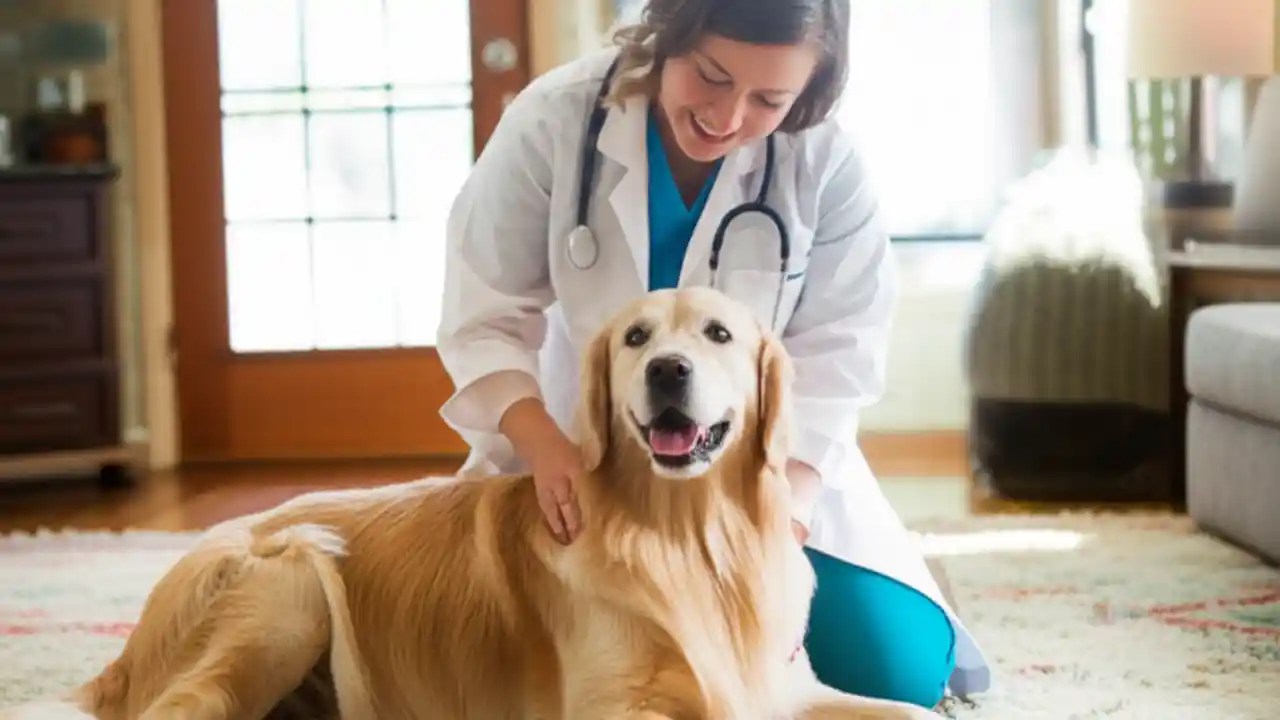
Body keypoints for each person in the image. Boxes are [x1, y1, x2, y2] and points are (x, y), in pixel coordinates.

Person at [436, 0, 990, 708]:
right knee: (563, 665)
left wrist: (783, 519)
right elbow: (482, 311)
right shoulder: (556, 121)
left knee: (898, 673)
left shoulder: (822, 160)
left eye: (769, 99)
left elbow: (838, 354)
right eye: (711, 76)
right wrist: (547, 449)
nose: (727, 117)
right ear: (669, 34)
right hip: (593, 466)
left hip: (756, 484)